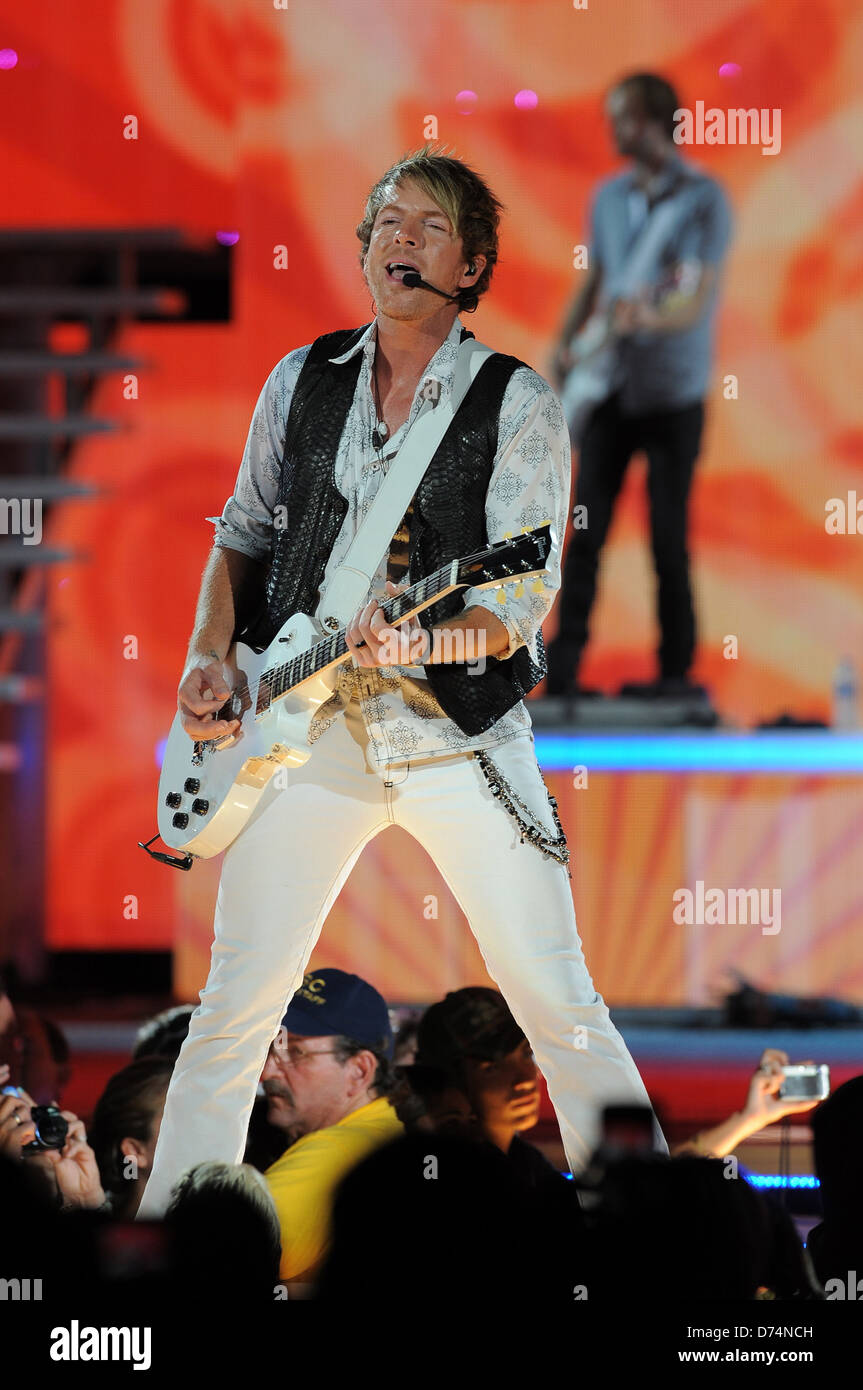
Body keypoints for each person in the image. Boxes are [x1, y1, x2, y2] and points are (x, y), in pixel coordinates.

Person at [137, 145, 664, 1219]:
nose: (398, 239)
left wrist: (419, 645)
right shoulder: (302, 378)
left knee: (554, 996)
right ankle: (170, 1246)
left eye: (427, 227)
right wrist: (207, 653)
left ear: (471, 268)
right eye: (385, 221)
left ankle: (656, 1231)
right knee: (236, 1004)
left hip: (454, 736)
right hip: (304, 728)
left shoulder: (514, 403)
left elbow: (515, 605)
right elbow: (241, 532)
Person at [547, 73, 733, 699]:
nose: (613, 130)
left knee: (668, 537)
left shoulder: (703, 200)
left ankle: (675, 676)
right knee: (587, 530)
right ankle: (563, 673)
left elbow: (695, 298)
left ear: (652, 121)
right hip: (612, 392)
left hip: (675, 395)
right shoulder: (607, 197)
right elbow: (595, 276)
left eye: (622, 116)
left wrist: (648, 319)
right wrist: (564, 342)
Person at [259, 969, 403, 1288]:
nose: (267, 1071)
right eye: (268, 1048)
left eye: (294, 1052)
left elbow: (204, 1267)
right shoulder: (396, 1135)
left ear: (359, 1070)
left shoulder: (333, 1151)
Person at [412, 986, 566, 1190]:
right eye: (491, 1067)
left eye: (526, 1054)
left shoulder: (530, 1167)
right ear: (450, 1081)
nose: (525, 1080)